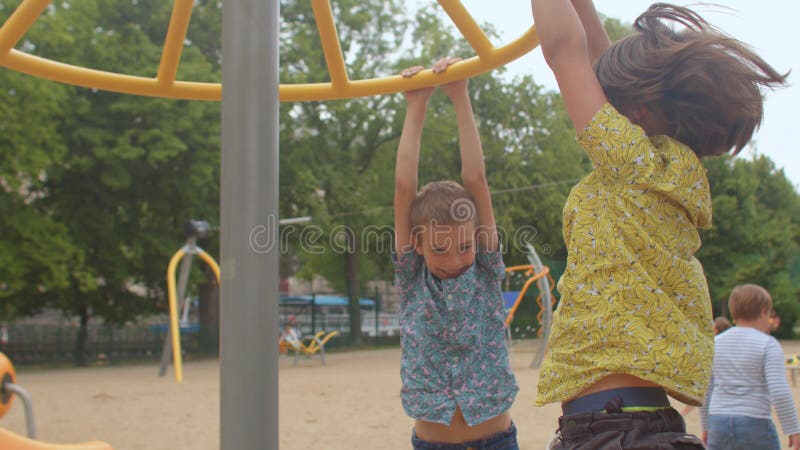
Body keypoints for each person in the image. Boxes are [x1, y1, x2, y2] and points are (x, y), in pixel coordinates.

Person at [529, 1, 788, 448]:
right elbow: (597, 59)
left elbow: (564, 51)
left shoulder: (632, 163)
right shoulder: (670, 169)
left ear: (639, 111)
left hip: (611, 430)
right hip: (638, 422)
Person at [393, 57, 519, 449]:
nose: (454, 260)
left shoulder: (484, 269)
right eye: (439, 249)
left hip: (496, 439)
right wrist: (416, 106)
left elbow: (475, 179)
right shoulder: (413, 279)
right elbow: (403, 187)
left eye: (464, 246)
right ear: (417, 245)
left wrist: (460, 95)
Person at [700, 284, 800, 450]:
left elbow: (706, 389)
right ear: (763, 312)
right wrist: (793, 429)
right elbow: (779, 391)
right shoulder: (768, 344)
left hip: (718, 420)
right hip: (755, 420)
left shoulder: (715, 344)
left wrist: (706, 426)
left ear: (734, 313)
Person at [681, 316, 733, 415]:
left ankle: (685, 412)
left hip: (716, 407)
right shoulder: (730, 350)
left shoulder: (711, 349)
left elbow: (705, 388)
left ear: (716, 330)